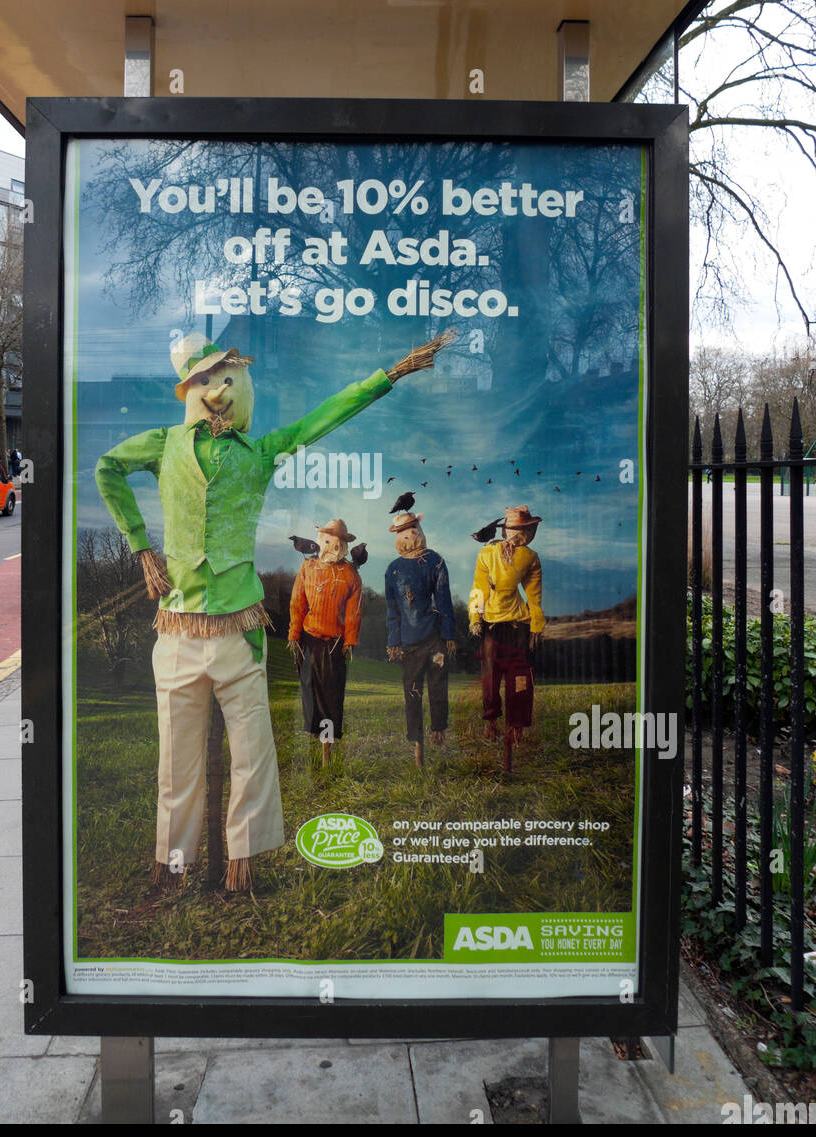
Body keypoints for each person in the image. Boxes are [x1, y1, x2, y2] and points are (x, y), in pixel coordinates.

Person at [94, 328, 454, 891]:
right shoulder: (165, 444)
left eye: (225, 378)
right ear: (191, 387)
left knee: (255, 752)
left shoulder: (260, 452)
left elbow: (322, 419)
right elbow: (107, 468)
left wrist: (389, 376)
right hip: (179, 627)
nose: (217, 390)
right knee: (176, 756)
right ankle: (174, 859)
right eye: (205, 379)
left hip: (240, 628)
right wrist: (141, 545)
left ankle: (245, 859)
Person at [469, 505, 544, 772]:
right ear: (506, 530)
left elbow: (534, 595)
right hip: (491, 626)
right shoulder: (487, 553)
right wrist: (475, 617)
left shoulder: (531, 557)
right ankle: (491, 722)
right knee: (490, 678)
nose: (521, 535)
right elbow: (479, 587)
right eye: (518, 530)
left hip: (518, 628)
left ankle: (517, 726)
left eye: (527, 530)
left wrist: (536, 626)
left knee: (520, 679)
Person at [287, 518, 362, 765]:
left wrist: (350, 640)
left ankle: (328, 745)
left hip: (334, 644)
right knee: (310, 690)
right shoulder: (308, 567)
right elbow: (298, 603)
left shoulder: (349, 573)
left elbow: (353, 612)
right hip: (308, 638)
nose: (332, 546)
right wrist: (293, 634)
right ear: (321, 541)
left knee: (331, 695)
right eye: (328, 540)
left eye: (337, 542)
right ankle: (316, 736)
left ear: (343, 545)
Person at [384, 513, 456, 768]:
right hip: (409, 641)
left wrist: (448, 635)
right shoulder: (393, 569)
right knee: (412, 691)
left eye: (413, 528)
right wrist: (394, 640)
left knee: (438, 685)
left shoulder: (434, 561)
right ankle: (416, 742)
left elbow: (444, 598)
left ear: (419, 529)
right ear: (397, 536)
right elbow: (392, 609)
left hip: (435, 638)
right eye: (404, 530)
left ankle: (438, 728)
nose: (410, 533)